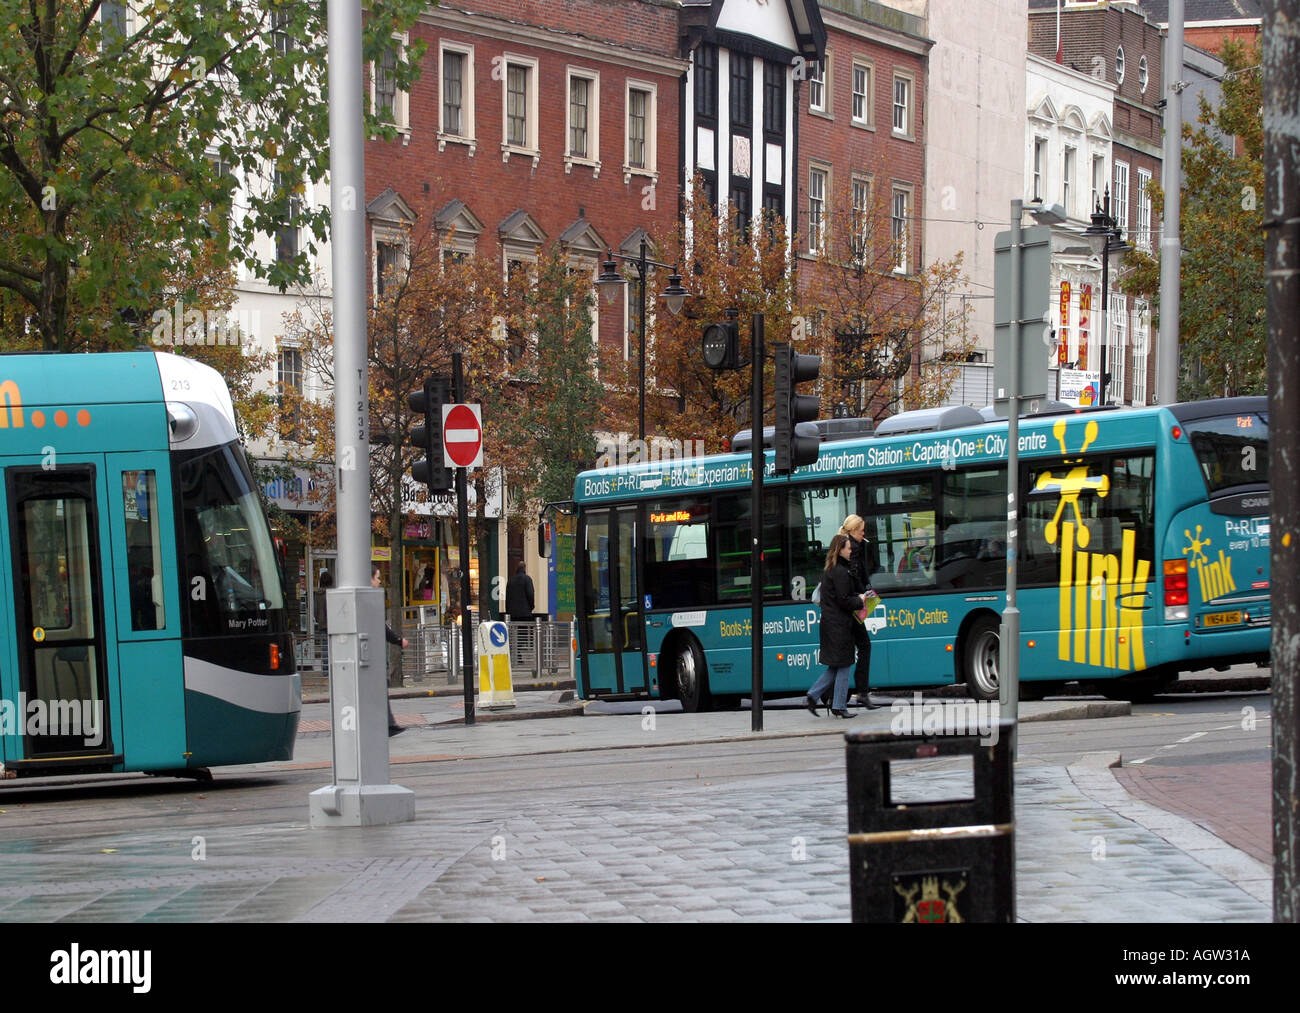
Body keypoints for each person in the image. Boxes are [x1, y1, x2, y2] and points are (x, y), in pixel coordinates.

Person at [805, 533, 865, 719]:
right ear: (840, 550)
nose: (850, 550)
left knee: (836, 666)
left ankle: (813, 695)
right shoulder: (840, 571)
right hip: (839, 626)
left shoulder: (831, 569)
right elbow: (844, 600)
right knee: (845, 664)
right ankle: (839, 705)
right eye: (848, 547)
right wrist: (860, 600)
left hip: (831, 625)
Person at [839, 515, 883, 709]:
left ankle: (832, 693)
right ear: (854, 531)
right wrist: (864, 595)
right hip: (852, 607)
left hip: (849, 607)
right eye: (862, 530)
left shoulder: (847, 547)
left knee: (849, 650)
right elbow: (854, 578)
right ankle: (861, 692)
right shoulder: (852, 550)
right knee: (863, 646)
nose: (864, 533)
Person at [372, 568, 409, 737]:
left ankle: (388, 724)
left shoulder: (369, 599)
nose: (380, 581)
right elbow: (381, 627)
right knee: (378, 690)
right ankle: (387, 725)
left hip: (372, 657)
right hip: (372, 657)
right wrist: (398, 640)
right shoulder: (370, 600)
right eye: (378, 578)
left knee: (378, 691)